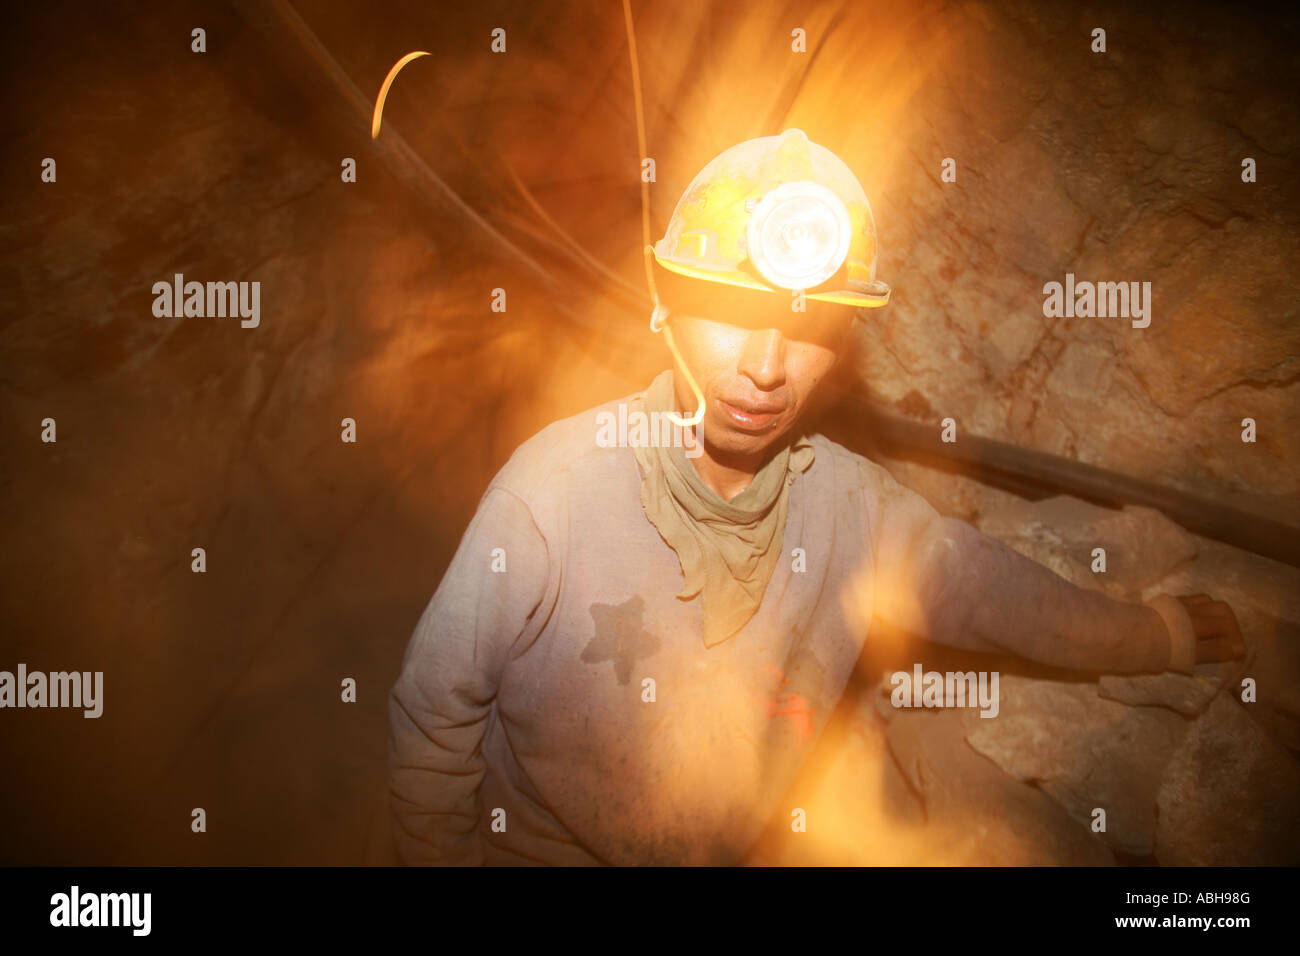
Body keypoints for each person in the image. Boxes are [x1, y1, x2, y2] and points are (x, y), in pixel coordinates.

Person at [386, 129, 1245, 865]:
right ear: (664, 304)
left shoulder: (850, 510)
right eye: (730, 307)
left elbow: (995, 596)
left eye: (807, 325)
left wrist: (1155, 634)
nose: (766, 364)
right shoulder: (554, 492)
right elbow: (432, 718)